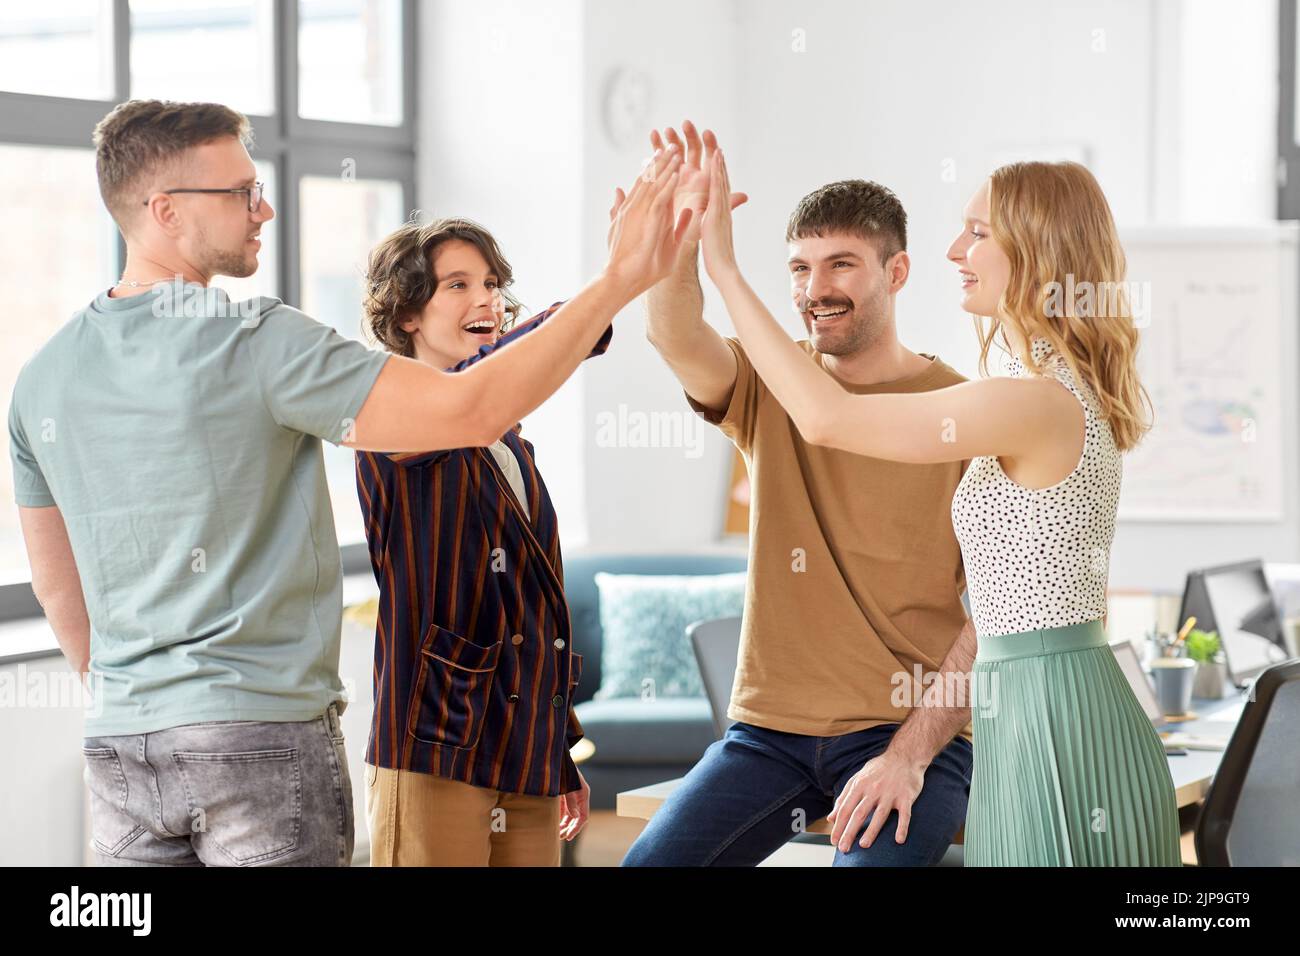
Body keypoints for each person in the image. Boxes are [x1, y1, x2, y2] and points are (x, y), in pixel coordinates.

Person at [8, 98, 689, 866]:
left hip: (122, 745)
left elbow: (54, 578)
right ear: (164, 209)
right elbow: (471, 406)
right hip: (260, 735)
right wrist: (623, 276)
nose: (263, 207)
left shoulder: (42, 378)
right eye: (239, 192)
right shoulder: (260, 341)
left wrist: (132, 695)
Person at [696, 141, 1180, 866]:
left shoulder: (1034, 403)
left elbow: (828, 419)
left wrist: (725, 271)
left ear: (1037, 251)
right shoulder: (1033, 389)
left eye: (979, 232)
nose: (956, 247)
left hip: (1051, 709)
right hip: (1023, 700)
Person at [623, 122, 977, 867]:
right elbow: (677, 335)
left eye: (841, 264)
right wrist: (682, 243)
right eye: (800, 267)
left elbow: (993, 618)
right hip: (767, 737)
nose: (816, 290)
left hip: (903, 730)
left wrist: (910, 754)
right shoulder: (768, 383)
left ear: (898, 271)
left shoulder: (966, 412)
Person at [355, 217, 601, 865]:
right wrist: (613, 282)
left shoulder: (511, 442)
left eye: (491, 283)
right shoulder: (388, 413)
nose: (486, 299)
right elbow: (531, 355)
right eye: (457, 285)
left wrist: (558, 747)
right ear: (407, 313)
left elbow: (533, 604)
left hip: (524, 750)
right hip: (436, 743)